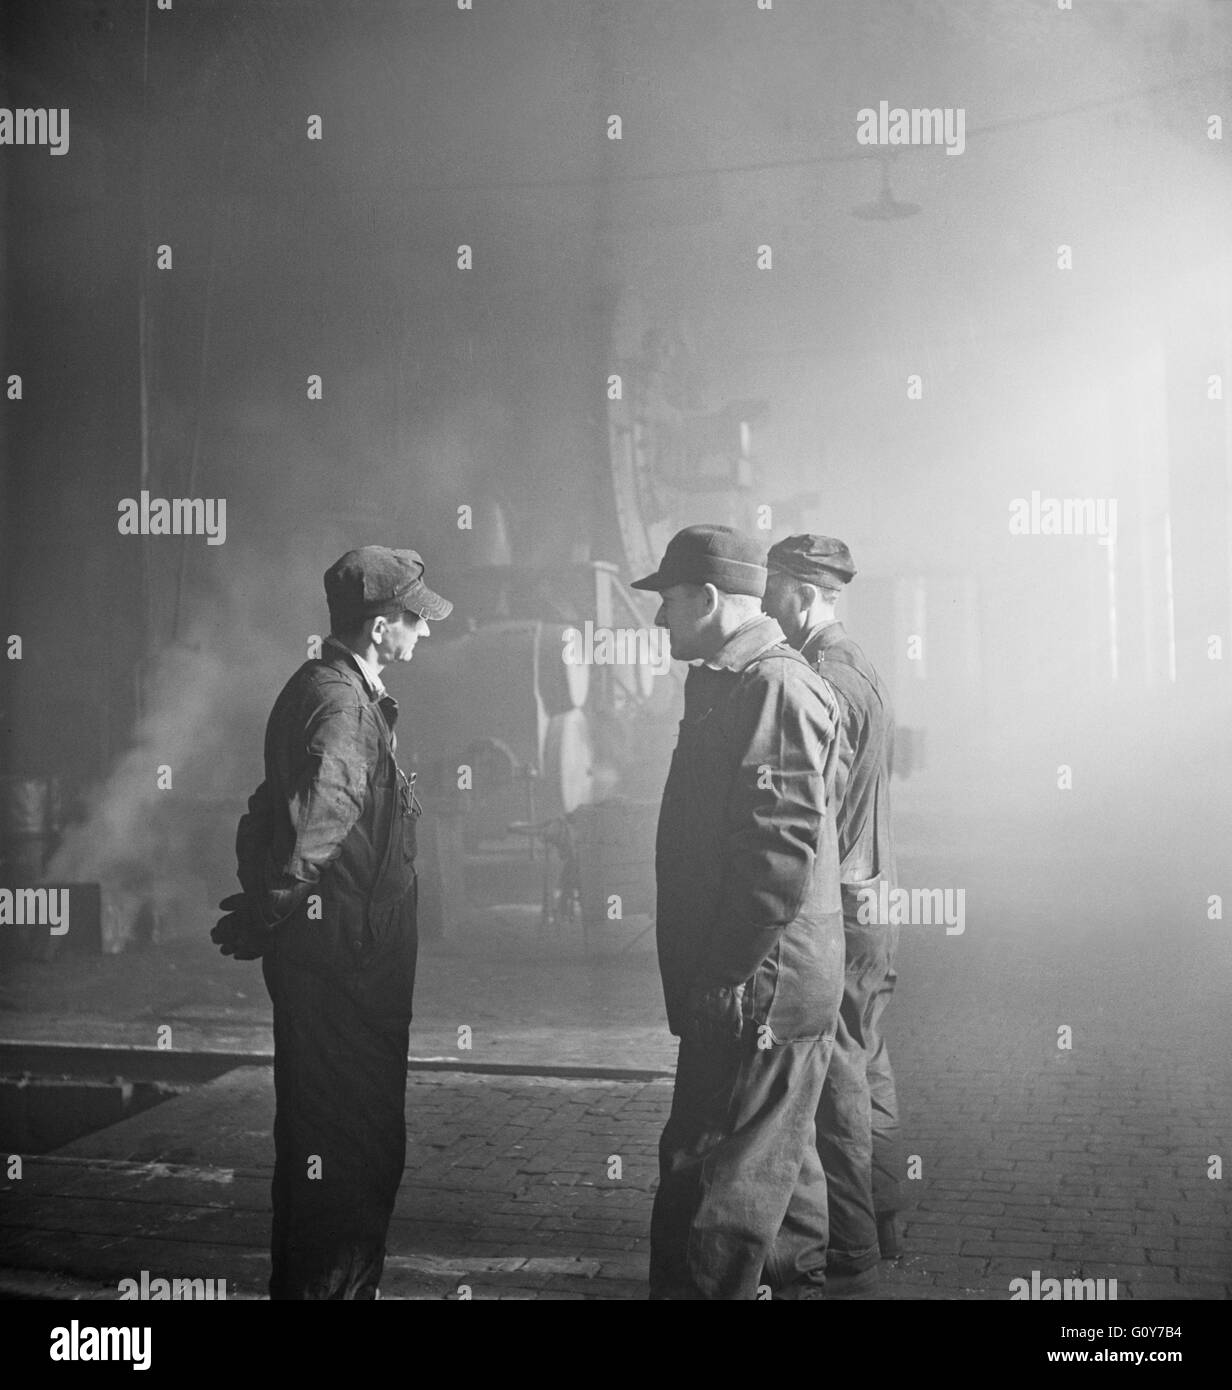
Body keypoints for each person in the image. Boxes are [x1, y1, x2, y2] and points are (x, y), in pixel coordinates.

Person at [211, 545, 451, 1299]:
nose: (425, 633)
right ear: (382, 627)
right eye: (416, 619)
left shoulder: (320, 687)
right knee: (352, 1145)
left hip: (338, 956)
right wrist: (272, 909)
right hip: (349, 964)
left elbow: (265, 808)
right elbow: (322, 815)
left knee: (323, 1138)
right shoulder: (344, 703)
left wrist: (266, 907)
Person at [633, 524, 846, 1300]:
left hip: (758, 983)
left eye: (669, 600)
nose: (659, 621)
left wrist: (725, 972)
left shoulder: (772, 687)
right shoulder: (737, 680)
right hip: (768, 978)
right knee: (779, 1179)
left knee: (708, 1178)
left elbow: (778, 852)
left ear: (711, 598)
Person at [763, 533, 902, 1295]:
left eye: (774, 588)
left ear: (803, 593)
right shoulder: (861, 666)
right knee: (867, 1060)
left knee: (840, 1077)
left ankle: (849, 1248)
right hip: (872, 890)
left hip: (843, 902)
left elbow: (817, 810)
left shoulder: (824, 679)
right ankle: (882, 1220)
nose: (763, 604)